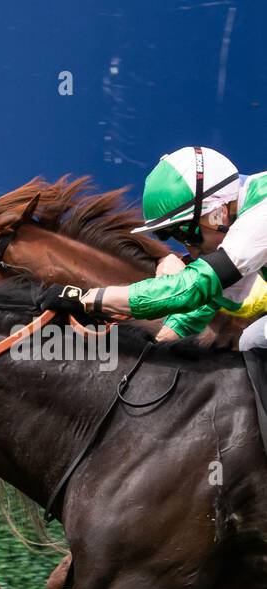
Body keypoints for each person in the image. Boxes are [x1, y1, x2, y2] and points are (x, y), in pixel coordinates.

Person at [38, 146, 267, 431]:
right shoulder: (239, 226)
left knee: (254, 339)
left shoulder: (261, 213)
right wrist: (145, 350)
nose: (188, 247)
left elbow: (192, 287)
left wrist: (88, 299)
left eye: (186, 231)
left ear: (218, 211)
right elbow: (199, 306)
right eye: (174, 236)